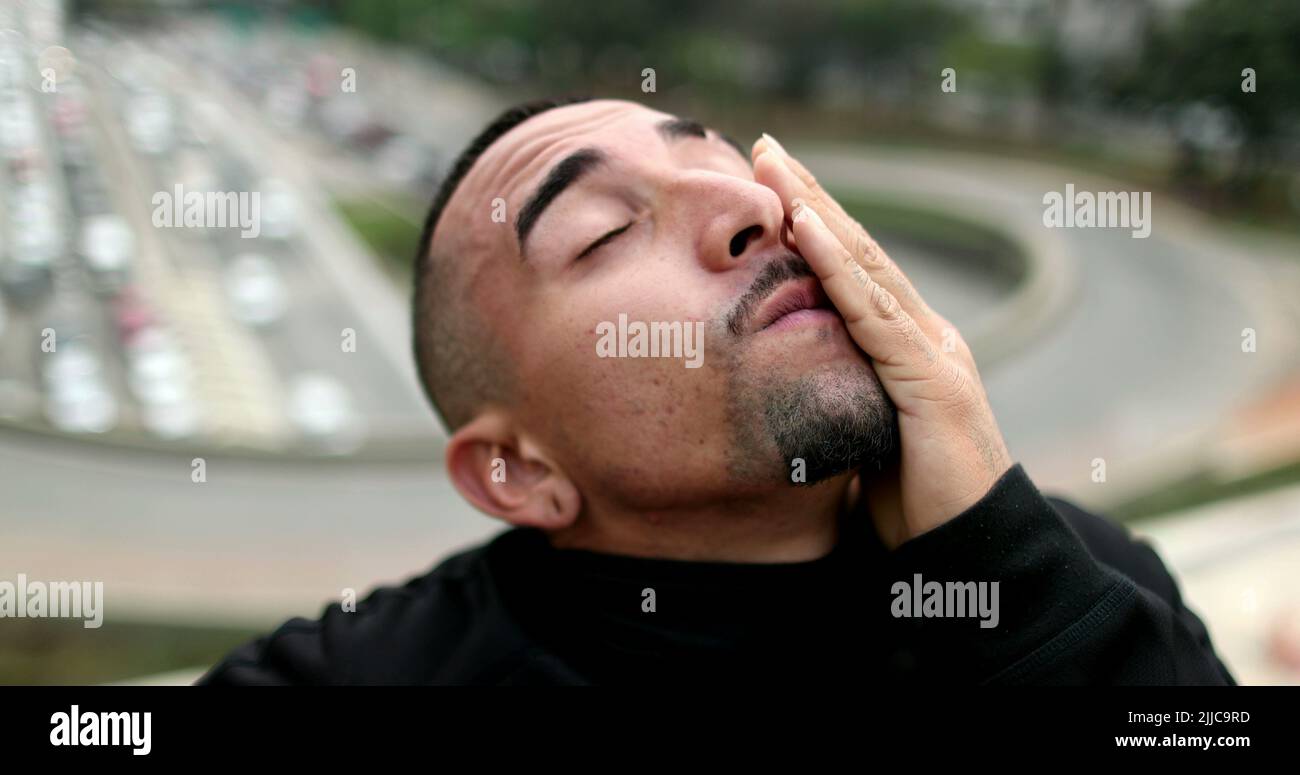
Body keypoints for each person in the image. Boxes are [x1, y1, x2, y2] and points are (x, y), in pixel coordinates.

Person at [199, 97, 1235, 685]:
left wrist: (1017, 586)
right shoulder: (375, 682)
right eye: (603, 231)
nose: (752, 203)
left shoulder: (1079, 587)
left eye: (726, 160)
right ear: (516, 469)